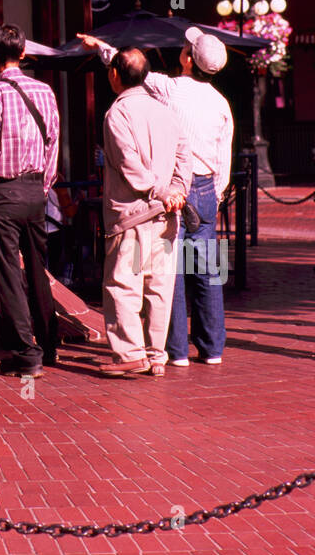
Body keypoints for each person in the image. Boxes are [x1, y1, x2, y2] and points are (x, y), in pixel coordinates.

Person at [80, 27, 234, 366]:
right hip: (205, 186)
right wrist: (216, 193)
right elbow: (224, 156)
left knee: (169, 272)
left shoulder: (169, 89)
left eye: (185, 47)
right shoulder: (221, 103)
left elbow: (135, 75)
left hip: (167, 186)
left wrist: (102, 47)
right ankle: (212, 350)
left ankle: (174, 351)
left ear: (188, 59)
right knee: (208, 272)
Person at [96, 48, 193, 377]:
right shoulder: (166, 111)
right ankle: (155, 355)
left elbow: (129, 164)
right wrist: (176, 191)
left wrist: (163, 192)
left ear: (114, 75)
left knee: (124, 284)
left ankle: (130, 355)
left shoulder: (117, 113)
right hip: (166, 214)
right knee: (159, 286)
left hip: (133, 213)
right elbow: (184, 155)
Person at [0, 23, 60, 378]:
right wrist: (44, 185)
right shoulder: (45, 91)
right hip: (35, 190)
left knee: (8, 274)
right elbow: (53, 142)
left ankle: (26, 352)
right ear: (23, 53)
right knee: (38, 270)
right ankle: (49, 343)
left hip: (3, 193)